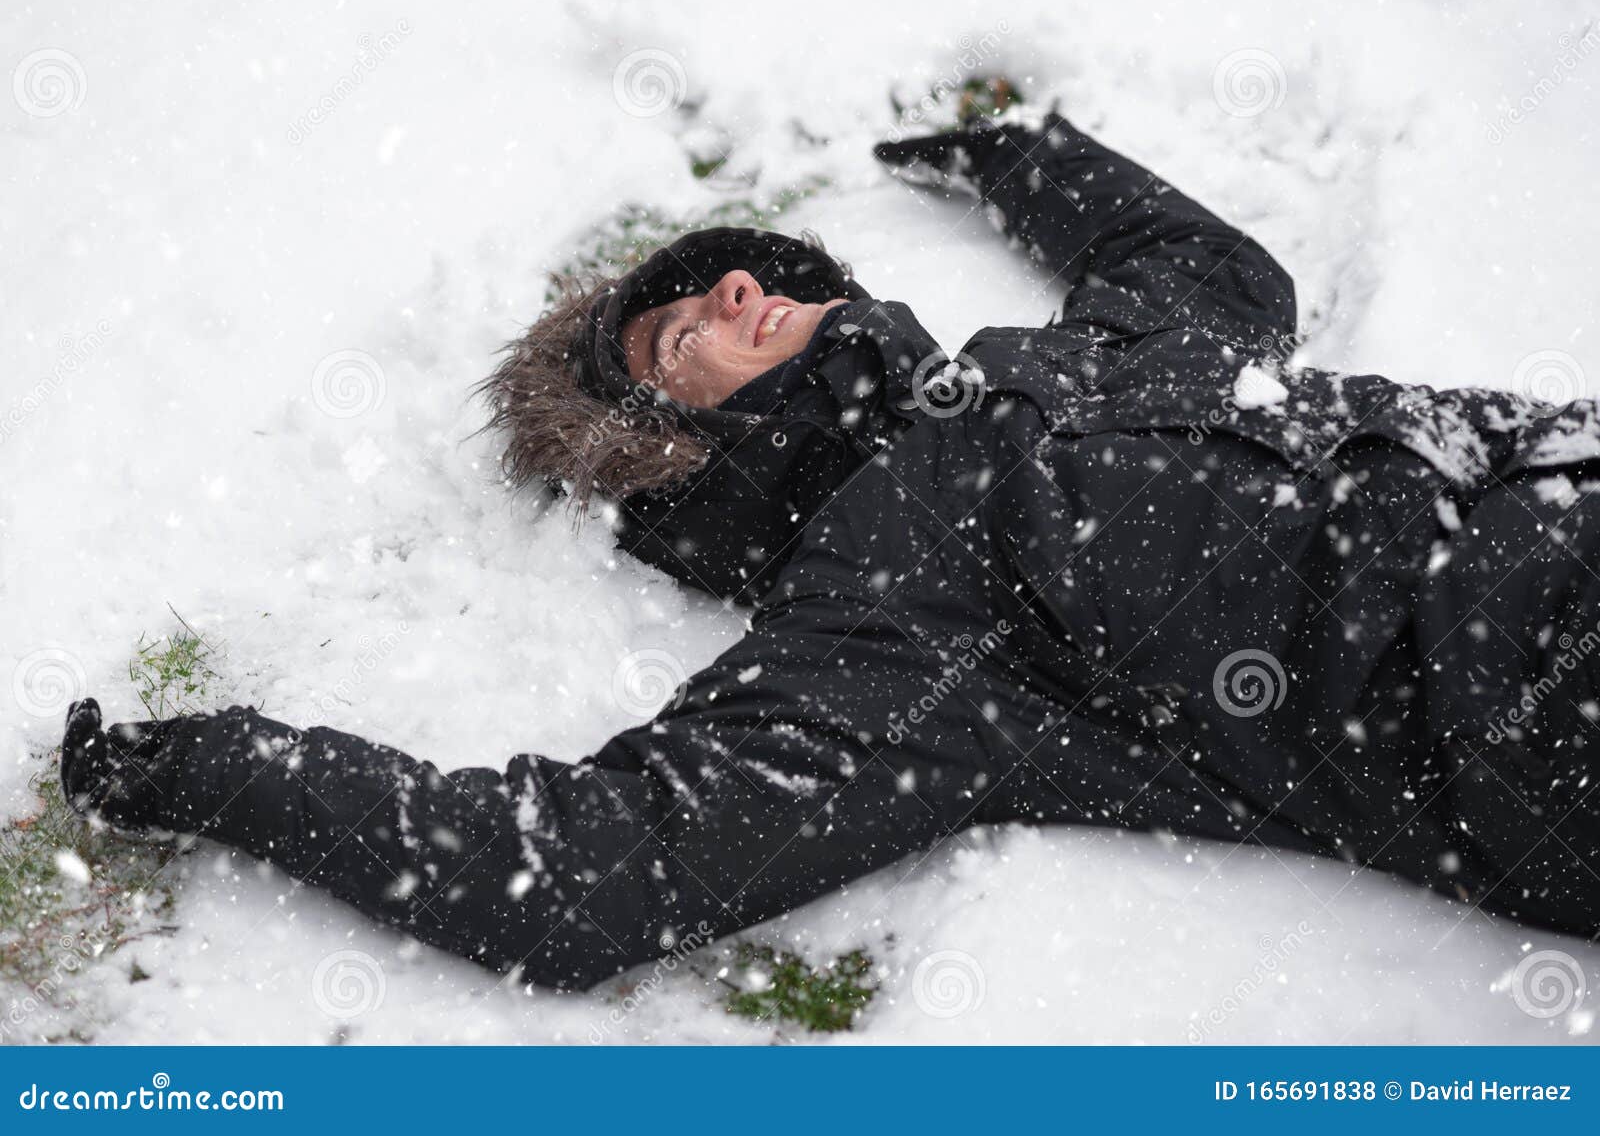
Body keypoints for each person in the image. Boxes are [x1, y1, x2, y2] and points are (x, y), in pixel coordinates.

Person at [62, 111, 1600, 991]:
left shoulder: (1043, 362)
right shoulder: (885, 617)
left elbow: (1202, 269)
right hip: (1541, 685)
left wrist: (1019, 155)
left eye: (717, 279)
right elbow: (582, 876)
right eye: (678, 334)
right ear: (677, 461)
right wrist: (216, 769)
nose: (731, 287)